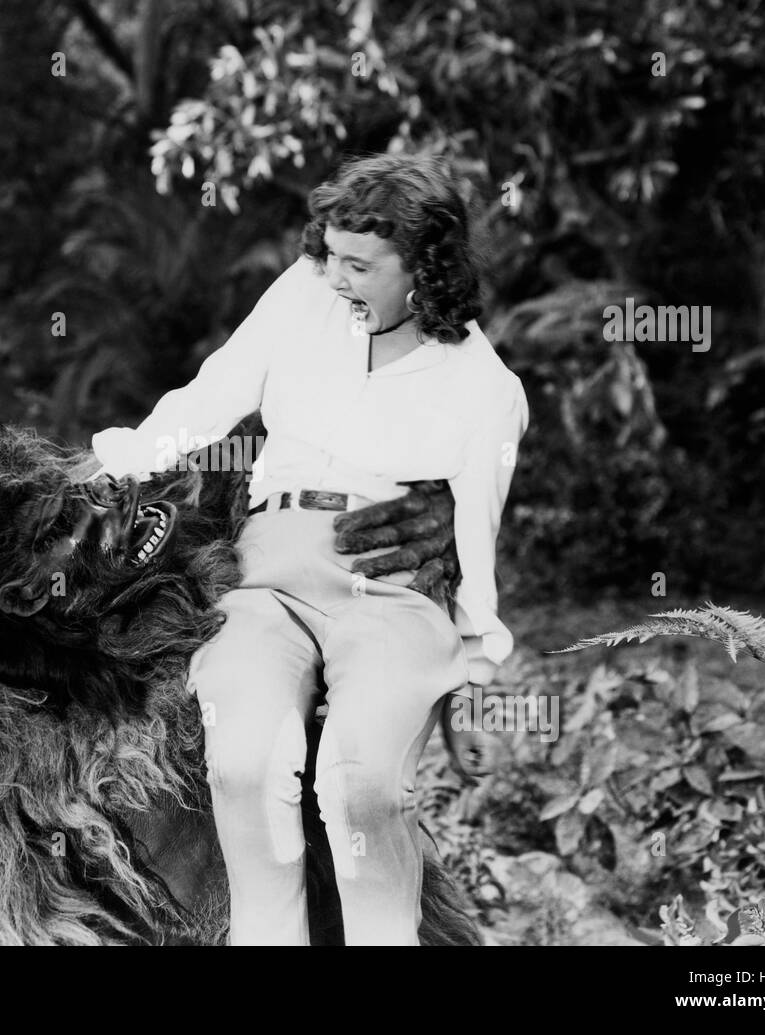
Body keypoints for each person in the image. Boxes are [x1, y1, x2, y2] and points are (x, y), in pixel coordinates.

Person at [85, 152, 528, 945]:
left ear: (424, 268)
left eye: (361, 265)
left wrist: (473, 682)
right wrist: (117, 461)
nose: (337, 277)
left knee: (360, 786)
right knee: (244, 767)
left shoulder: (485, 389)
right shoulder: (302, 296)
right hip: (267, 575)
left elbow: (475, 551)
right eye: (330, 254)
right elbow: (210, 396)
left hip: (386, 588)